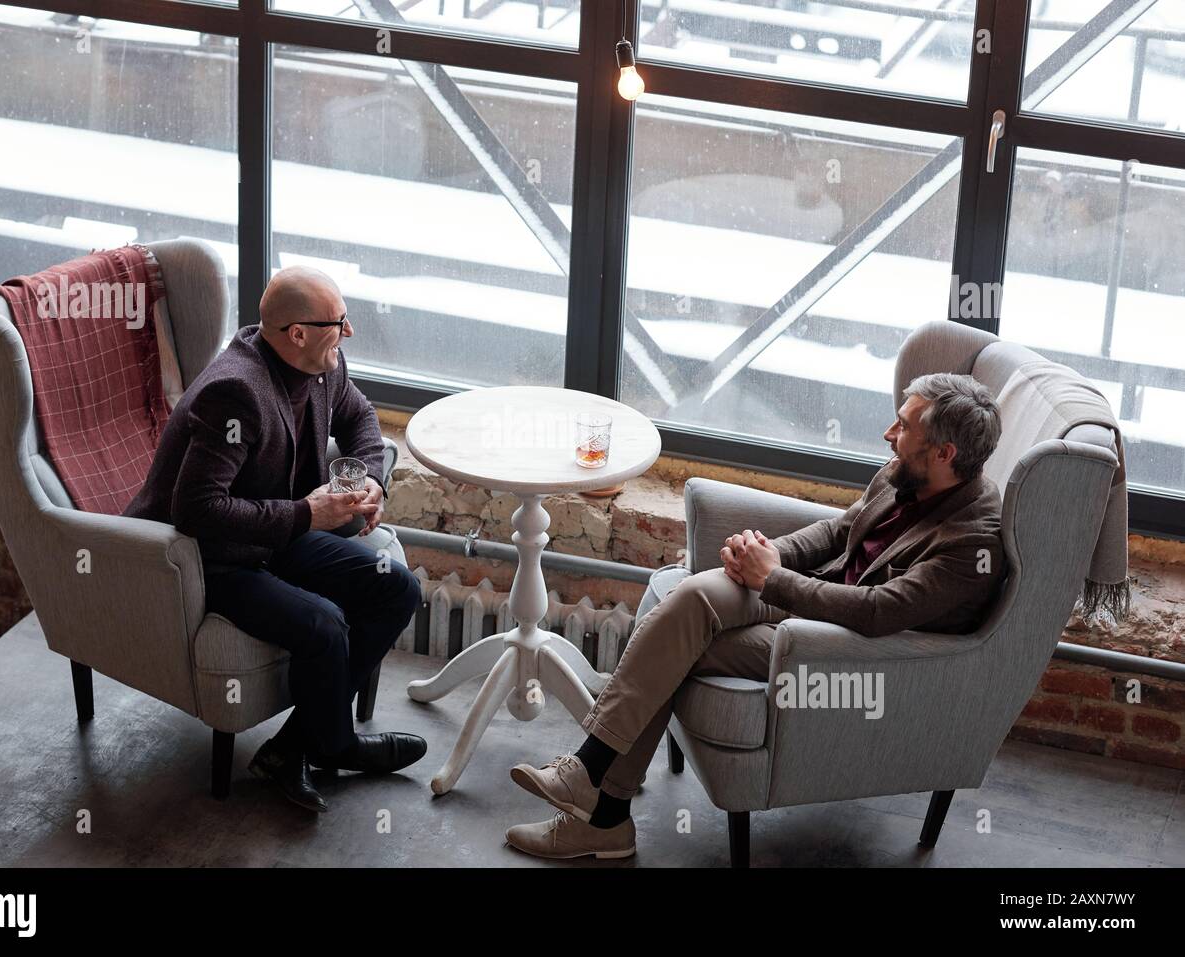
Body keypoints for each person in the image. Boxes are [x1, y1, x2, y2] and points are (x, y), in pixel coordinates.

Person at [504, 373, 1006, 860]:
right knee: (689, 597)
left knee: (676, 636)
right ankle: (594, 788)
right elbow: (838, 532)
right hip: (816, 598)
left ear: (945, 454)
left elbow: (878, 612)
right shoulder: (905, 474)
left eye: (904, 426)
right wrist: (766, 555)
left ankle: (601, 804)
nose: (889, 433)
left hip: (845, 650)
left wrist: (772, 578)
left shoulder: (972, 543)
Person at [125, 266, 425, 812]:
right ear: (298, 333)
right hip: (209, 559)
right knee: (325, 624)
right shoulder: (236, 393)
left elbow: (360, 417)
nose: (349, 331)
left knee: (398, 588)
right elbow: (196, 510)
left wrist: (372, 483)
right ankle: (336, 746)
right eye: (339, 322)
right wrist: (306, 513)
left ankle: (293, 748)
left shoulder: (322, 363)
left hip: (275, 536)